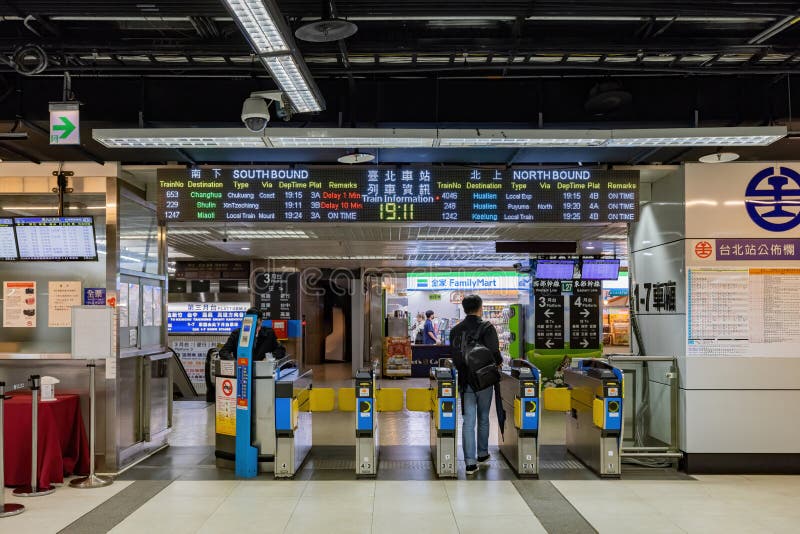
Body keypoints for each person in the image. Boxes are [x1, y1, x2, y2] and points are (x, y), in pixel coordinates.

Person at [449, 294, 502, 475]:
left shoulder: (456, 330)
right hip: (485, 380)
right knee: (484, 417)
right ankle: (482, 454)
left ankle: (470, 463)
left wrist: (464, 371)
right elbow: (495, 353)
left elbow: (455, 357)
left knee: (468, 420)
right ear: (480, 308)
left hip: (465, 381)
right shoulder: (487, 328)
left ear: (464, 309)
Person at [219, 307, 285, 361]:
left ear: (261, 321)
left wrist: (269, 357)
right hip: (242, 369)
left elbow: (280, 350)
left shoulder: (269, 333)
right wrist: (234, 362)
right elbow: (224, 351)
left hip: (263, 370)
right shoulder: (237, 333)